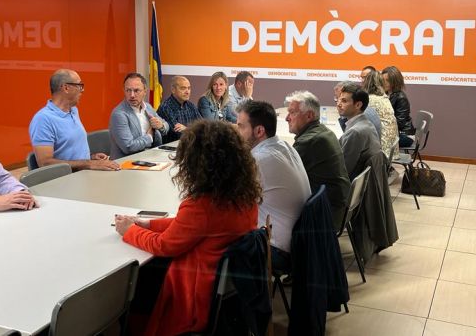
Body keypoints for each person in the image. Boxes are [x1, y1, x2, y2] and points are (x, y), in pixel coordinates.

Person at [114, 120, 260, 335]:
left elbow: (164, 246)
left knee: (141, 278)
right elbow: (190, 227)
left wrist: (130, 231)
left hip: (194, 292)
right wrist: (149, 224)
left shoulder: (201, 206)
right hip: (226, 291)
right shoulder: (244, 197)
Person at [236, 100, 310, 272]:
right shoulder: (284, 146)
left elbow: (231, 203)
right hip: (299, 243)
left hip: (277, 250)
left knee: (212, 241)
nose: (236, 133)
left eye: (240, 127)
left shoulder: (258, 160)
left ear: (259, 131)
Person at [29, 69, 120, 171]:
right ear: (66, 88)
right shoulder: (42, 119)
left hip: (83, 172)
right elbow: (45, 163)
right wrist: (88, 164)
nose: (82, 90)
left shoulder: (73, 110)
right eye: (79, 85)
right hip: (66, 177)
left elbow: (69, 151)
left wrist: (91, 157)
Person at [284, 91, 350, 231]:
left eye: (292, 113)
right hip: (337, 207)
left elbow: (283, 178)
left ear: (309, 116)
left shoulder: (309, 141)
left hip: (327, 213)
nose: (287, 118)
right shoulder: (324, 131)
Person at [109, 73, 170, 160]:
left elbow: (166, 125)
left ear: (145, 91)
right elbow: (128, 147)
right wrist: (149, 137)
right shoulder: (119, 114)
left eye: (136, 90)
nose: (132, 95)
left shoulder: (147, 107)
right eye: (128, 90)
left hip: (150, 157)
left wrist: (161, 125)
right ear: (124, 90)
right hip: (127, 162)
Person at [336, 83, 382, 181]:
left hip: (351, 185)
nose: (338, 104)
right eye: (338, 99)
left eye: (344, 101)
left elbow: (342, 171)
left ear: (358, 105)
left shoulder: (355, 132)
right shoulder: (367, 124)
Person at [362, 70, 399, 159]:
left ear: (367, 83)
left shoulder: (369, 99)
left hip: (382, 152)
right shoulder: (384, 97)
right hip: (392, 149)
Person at [157, 76, 202, 142]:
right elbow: (178, 133)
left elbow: (202, 127)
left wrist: (186, 129)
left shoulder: (191, 106)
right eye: (183, 88)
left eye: (189, 88)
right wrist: (193, 130)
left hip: (190, 143)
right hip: (172, 146)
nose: (187, 92)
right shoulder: (165, 107)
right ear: (173, 90)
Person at [382, 66, 416, 147]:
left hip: (405, 135)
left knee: (373, 140)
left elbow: (399, 123)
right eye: (383, 80)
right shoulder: (386, 94)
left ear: (395, 82)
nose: (384, 83)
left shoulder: (401, 98)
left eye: (388, 80)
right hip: (394, 132)